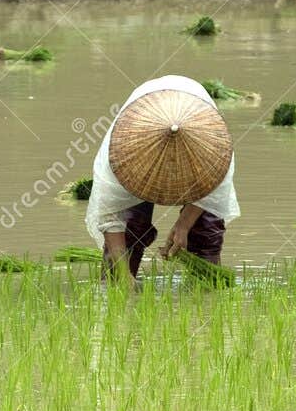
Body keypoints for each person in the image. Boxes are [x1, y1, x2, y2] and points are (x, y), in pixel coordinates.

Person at [85, 75, 238, 279]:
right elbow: (111, 220)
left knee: (206, 233)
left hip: (196, 126)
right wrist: (123, 278)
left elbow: (213, 192)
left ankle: (207, 290)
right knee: (129, 234)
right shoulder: (117, 160)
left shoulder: (214, 148)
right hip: (140, 136)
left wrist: (184, 226)